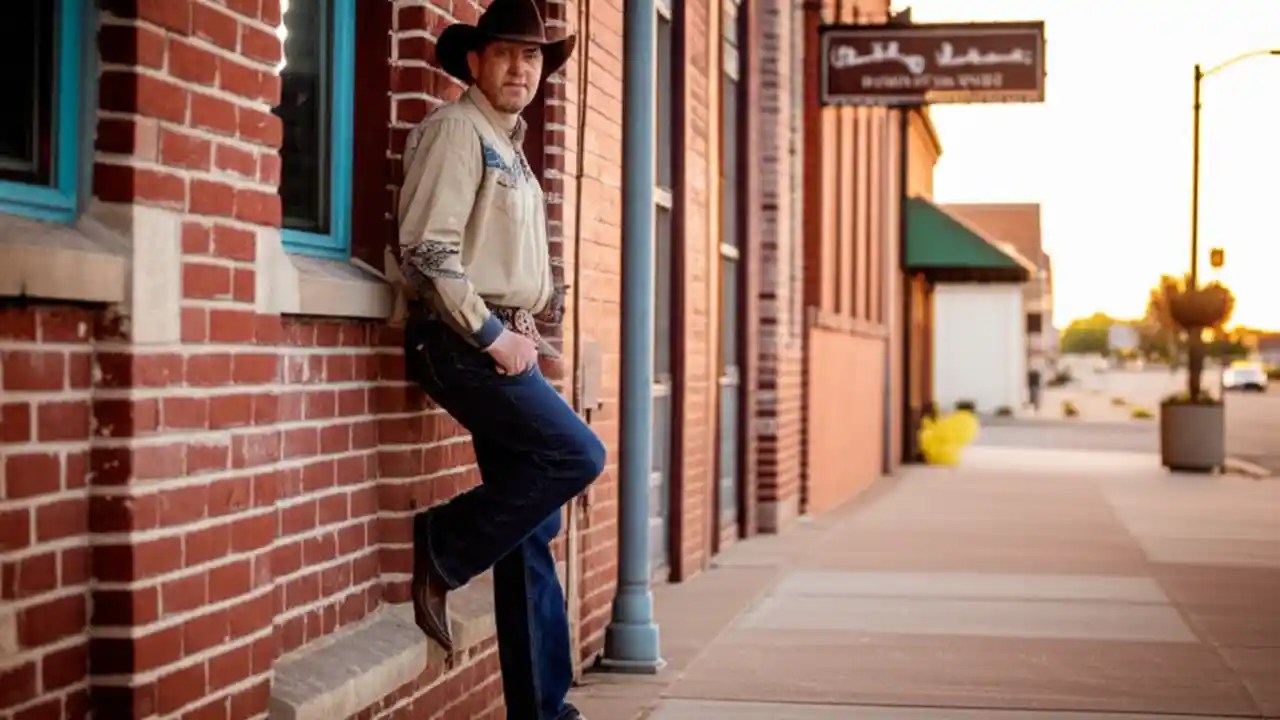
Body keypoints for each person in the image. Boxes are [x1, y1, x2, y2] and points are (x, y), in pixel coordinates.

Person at [389, 1, 604, 718]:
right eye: (507, 53)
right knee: (577, 456)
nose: (522, 67)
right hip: (464, 346)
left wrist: (533, 330)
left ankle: (543, 711)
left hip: (505, 346)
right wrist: (493, 336)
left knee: (528, 533)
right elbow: (427, 249)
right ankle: (444, 542)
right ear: (475, 61)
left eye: (534, 56)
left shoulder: (507, 144)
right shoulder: (457, 133)